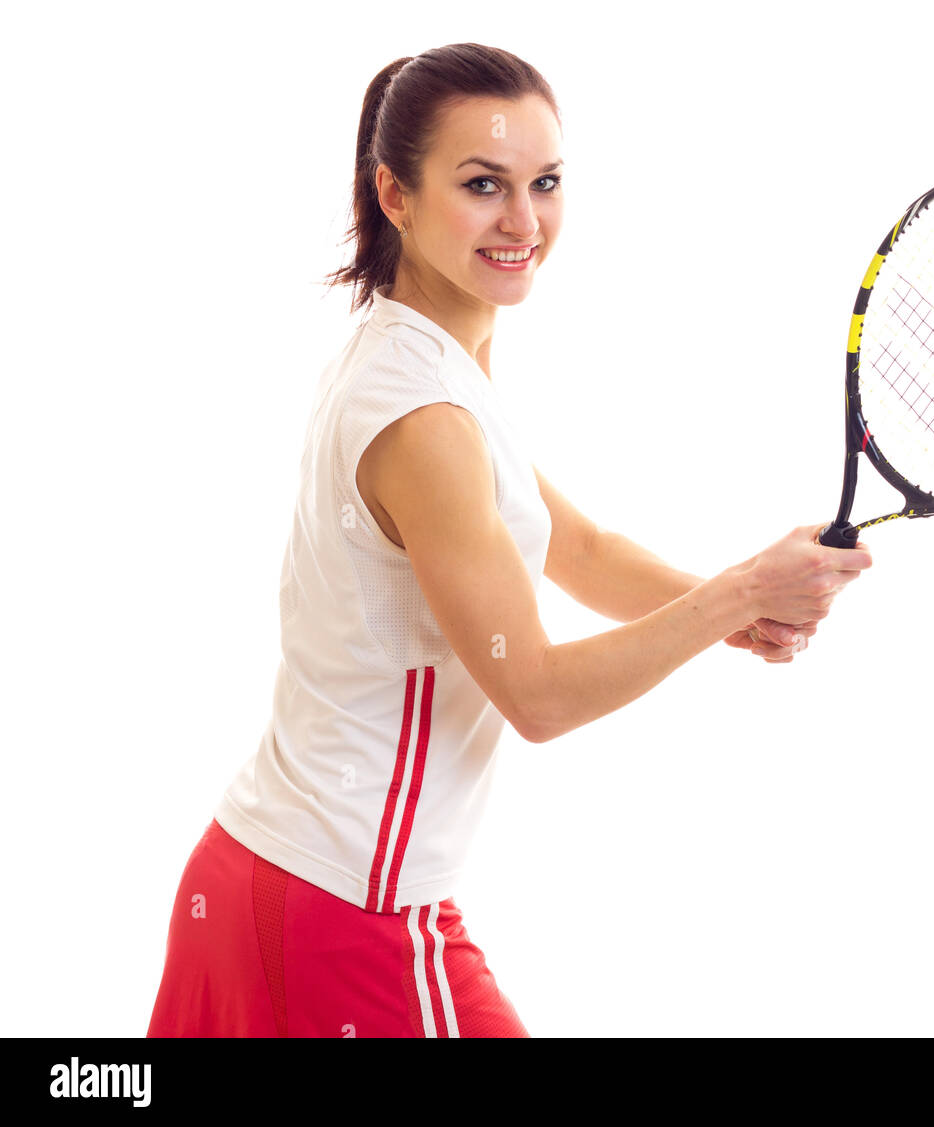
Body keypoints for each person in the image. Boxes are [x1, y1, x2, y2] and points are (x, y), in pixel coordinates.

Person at [146, 42, 872, 1039]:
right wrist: (741, 593)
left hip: (264, 873)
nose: (524, 222)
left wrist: (729, 614)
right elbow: (533, 692)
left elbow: (574, 544)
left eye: (546, 183)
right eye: (483, 185)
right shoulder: (424, 419)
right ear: (394, 195)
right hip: (348, 908)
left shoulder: (419, 355)